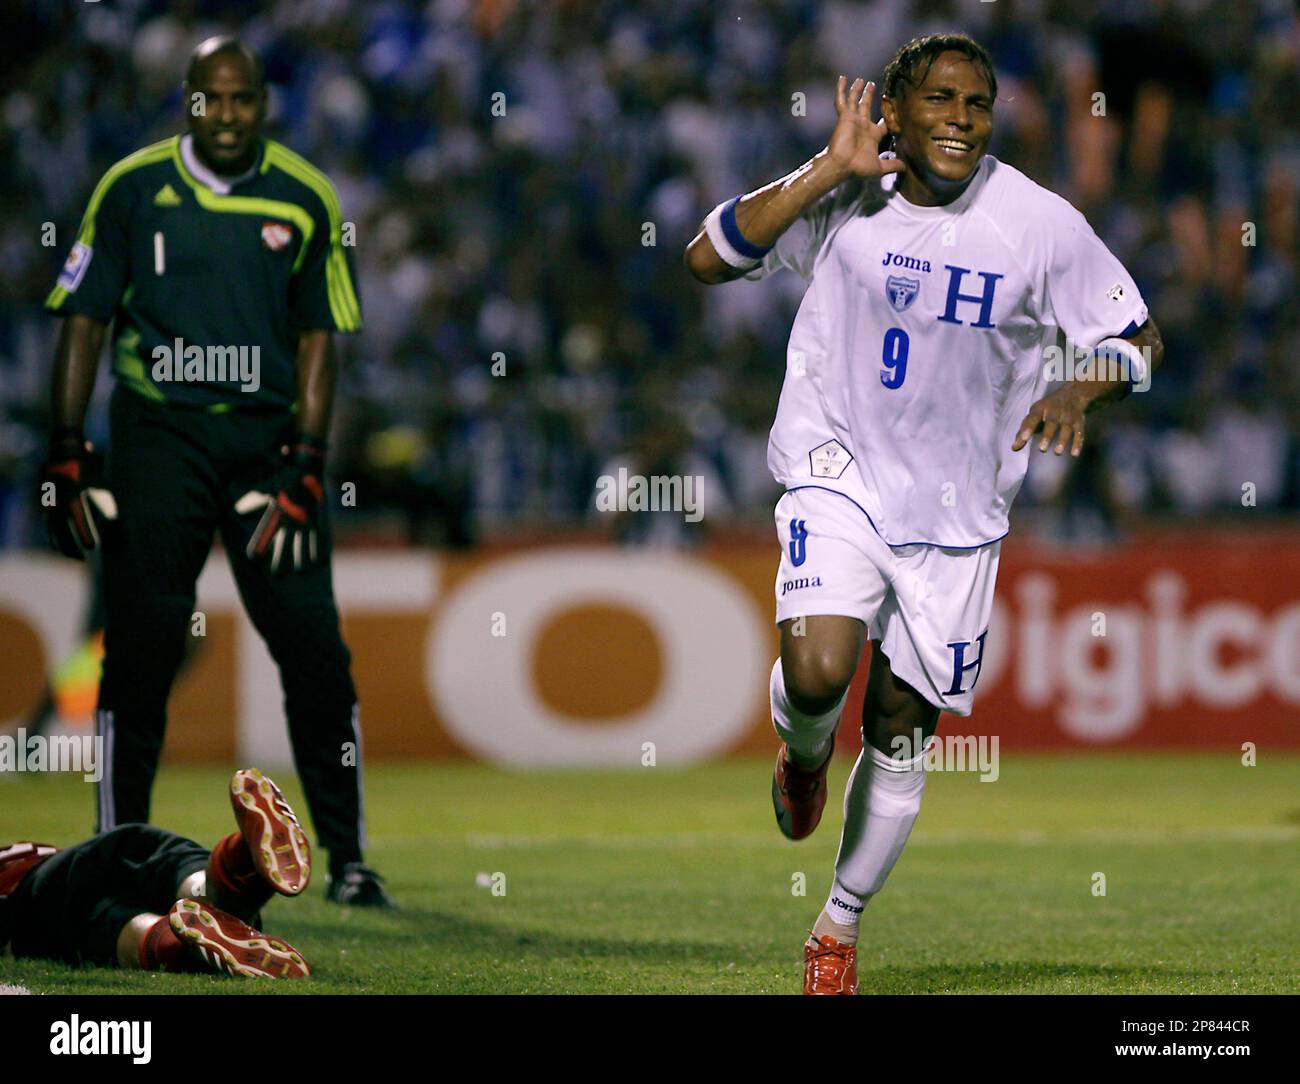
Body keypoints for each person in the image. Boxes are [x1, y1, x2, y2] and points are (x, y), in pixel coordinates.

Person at [684, 33, 1164, 994]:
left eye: (977, 103)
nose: (959, 118)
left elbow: (1137, 331)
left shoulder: (1038, 223)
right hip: (840, 470)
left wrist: (1084, 382)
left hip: (958, 516)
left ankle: (836, 929)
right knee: (819, 671)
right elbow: (708, 257)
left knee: (901, 725)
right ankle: (802, 749)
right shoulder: (852, 185)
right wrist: (828, 166)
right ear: (895, 110)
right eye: (939, 99)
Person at [40, 35, 391, 907]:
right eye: (212, 100)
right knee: (141, 650)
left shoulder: (306, 197)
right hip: (156, 435)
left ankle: (348, 862)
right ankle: (117, 855)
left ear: (262, 104)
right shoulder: (130, 189)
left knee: (314, 654)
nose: (227, 115)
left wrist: (310, 463)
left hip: (268, 450)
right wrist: (67, 448)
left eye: (242, 101)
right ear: (188, 100)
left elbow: (321, 340)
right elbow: (82, 318)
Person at [1, 769, 311, 978]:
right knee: (156, 855)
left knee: (101, 923)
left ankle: (180, 947)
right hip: (54, 872)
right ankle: (238, 867)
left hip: (34, 900)